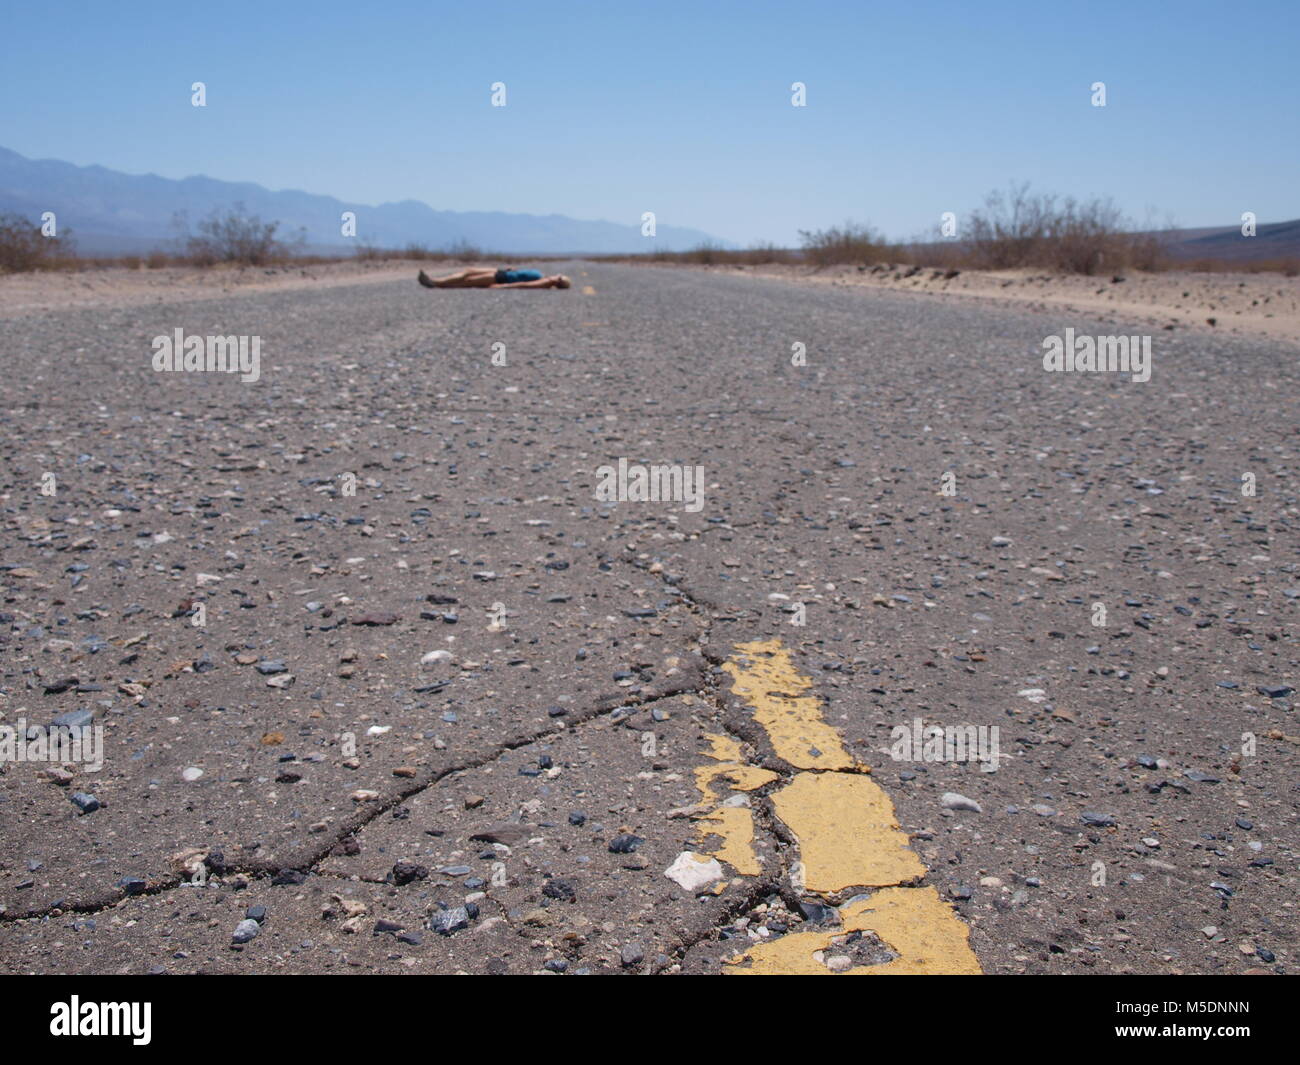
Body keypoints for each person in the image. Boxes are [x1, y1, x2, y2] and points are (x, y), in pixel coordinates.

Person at [417, 267, 571, 289]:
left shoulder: (545, 282)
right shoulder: (543, 277)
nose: (557, 275)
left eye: (560, 277)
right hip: (503, 272)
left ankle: (437, 283)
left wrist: (503, 287)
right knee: (468, 272)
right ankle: (437, 280)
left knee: (468, 281)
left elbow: (524, 284)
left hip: (501, 279)